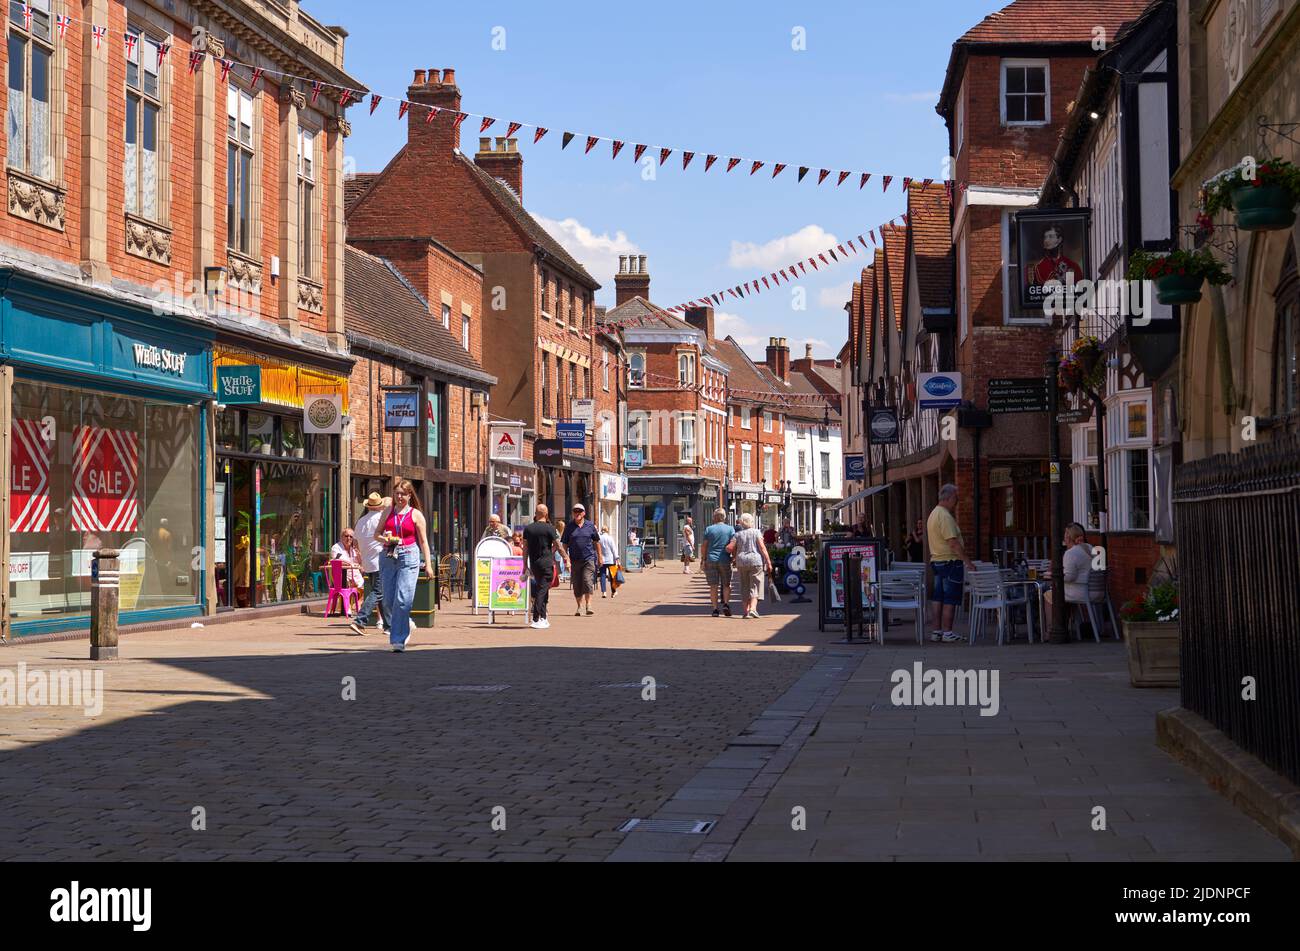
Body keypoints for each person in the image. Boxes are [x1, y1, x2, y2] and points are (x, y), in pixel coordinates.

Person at [373, 480, 434, 653]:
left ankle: (398, 638)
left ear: (409, 495)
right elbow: (376, 534)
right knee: (388, 599)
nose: (399, 497)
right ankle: (403, 621)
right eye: (397, 493)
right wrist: (385, 539)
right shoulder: (387, 512)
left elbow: (423, 542)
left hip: (409, 554)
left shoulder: (416, 515)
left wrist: (428, 565)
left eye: (403, 494)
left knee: (403, 598)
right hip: (388, 555)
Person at [927, 484, 976, 643]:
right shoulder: (945, 516)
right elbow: (953, 543)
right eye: (956, 498)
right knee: (950, 598)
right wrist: (967, 562)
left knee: (938, 597)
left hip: (937, 561)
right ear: (949, 498)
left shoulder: (933, 514)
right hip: (950, 562)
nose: (957, 502)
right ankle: (948, 632)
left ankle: (936, 631)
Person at [349, 493, 391, 636]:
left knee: (380, 594)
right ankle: (360, 621)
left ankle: (388, 626)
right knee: (378, 592)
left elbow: (354, 543)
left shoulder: (360, 521)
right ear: (380, 506)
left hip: (368, 562)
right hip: (380, 561)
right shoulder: (381, 518)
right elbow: (389, 538)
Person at [1044, 523, 1094, 628]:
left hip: (1081, 592)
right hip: (1096, 591)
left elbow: (1069, 577)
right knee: (1062, 593)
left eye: (1065, 535)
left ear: (1068, 537)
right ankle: (1066, 627)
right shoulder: (1090, 548)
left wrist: (1052, 574)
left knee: (1049, 595)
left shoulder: (1071, 553)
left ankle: (1051, 628)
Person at [727, 512, 773, 620]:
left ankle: (746, 611)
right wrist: (768, 561)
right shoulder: (756, 532)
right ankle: (753, 609)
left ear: (742, 523)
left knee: (744, 586)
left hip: (741, 561)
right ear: (751, 522)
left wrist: (729, 551)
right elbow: (762, 548)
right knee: (755, 585)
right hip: (755, 561)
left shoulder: (737, 535)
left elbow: (730, 548)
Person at [523, 504, 560, 629]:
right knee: (542, 590)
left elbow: (525, 549)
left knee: (542, 588)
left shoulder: (528, 529)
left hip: (534, 564)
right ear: (546, 514)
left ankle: (544, 618)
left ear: (536, 513)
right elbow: (558, 545)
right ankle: (536, 618)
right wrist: (565, 558)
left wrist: (524, 565)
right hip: (546, 563)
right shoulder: (550, 528)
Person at [560, 503, 599, 616]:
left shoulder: (590, 525)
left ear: (584, 513)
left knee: (587, 581)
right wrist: (566, 559)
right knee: (577, 584)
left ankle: (589, 605)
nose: (577, 513)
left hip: (588, 558)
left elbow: (597, 542)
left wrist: (600, 557)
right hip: (575, 560)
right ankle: (579, 607)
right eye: (575, 511)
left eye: (579, 511)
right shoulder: (569, 527)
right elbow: (565, 544)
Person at [701, 508, 736, 618]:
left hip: (711, 559)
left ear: (714, 517)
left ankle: (715, 609)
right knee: (726, 584)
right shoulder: (730, 529)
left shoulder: (709, 529)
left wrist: (703, 559)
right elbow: (733, 545)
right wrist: (734, 558)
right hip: (725, 559)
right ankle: (726, 603)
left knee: (713, 586)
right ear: (724, 517)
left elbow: (704, 546)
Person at [597, 523, 621, 598]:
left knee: (603, 576)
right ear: (607, 530)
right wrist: (617, 558)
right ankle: (613, 592)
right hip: (611, 560)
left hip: (602, 560)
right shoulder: (610, 538)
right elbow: (613, 549)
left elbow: (597, 549)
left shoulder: (599, 538)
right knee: (612, 577)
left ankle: (604, 592)